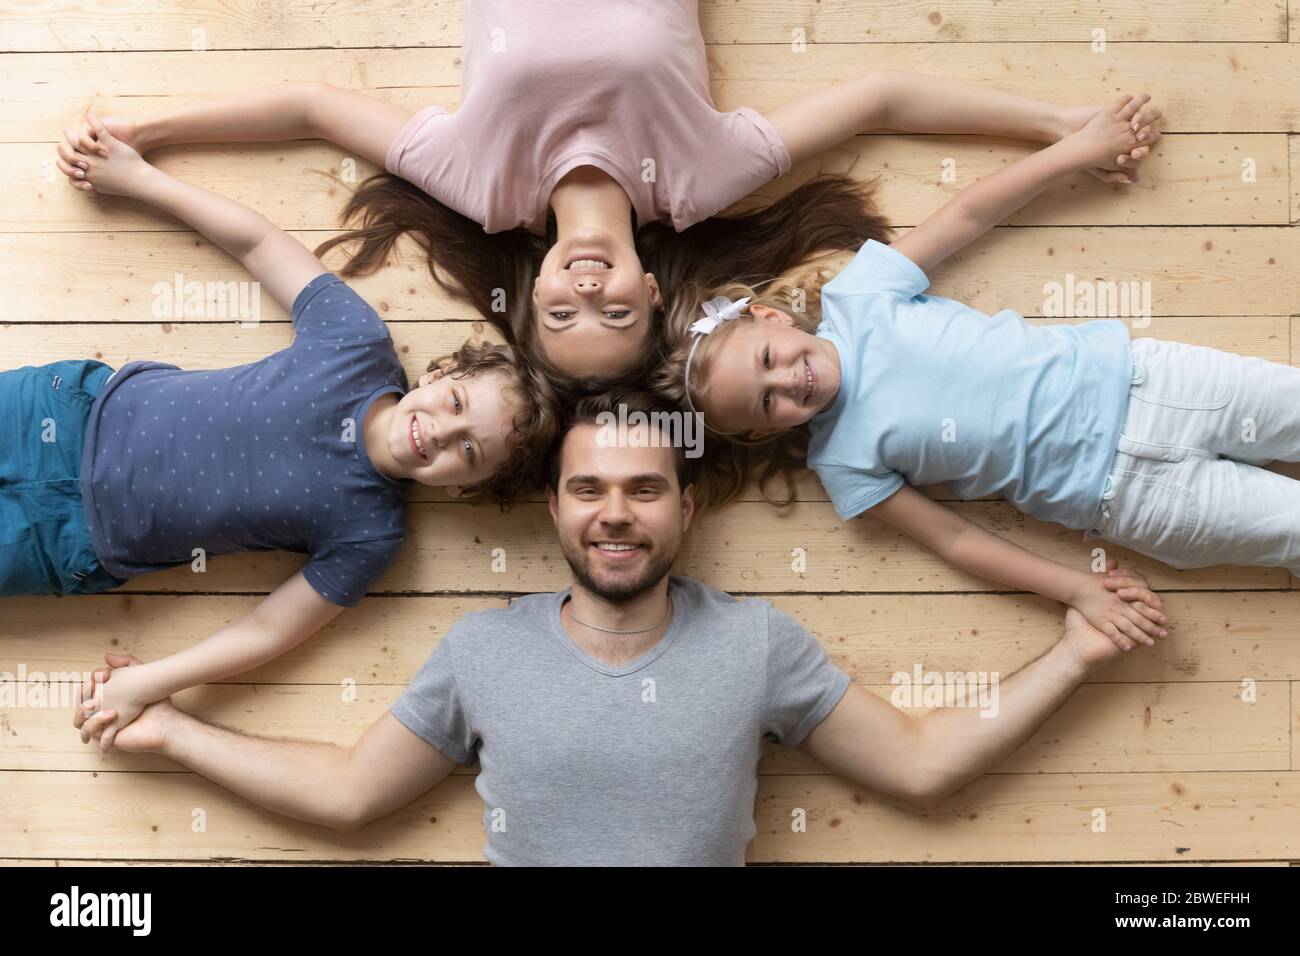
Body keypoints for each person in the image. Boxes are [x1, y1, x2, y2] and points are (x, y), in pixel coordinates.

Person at [75, 390, 1161, 866]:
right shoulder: (481, 651)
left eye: (644, 488)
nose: (613, 512)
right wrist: (173, 732)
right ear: (553, 507)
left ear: (686, 508)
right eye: (588, 487)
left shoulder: (758, 646)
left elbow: (920, 765)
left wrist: (1070, 650)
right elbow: (352, 794)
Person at [66, 0, 1152, 386]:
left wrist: (145, 142)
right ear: (650, 288)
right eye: (616, 312)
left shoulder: (477, 186)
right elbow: (876, 94)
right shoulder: (699, 182)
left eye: (562, 312)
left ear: (530, 291)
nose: (588, 290)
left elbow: (307, 108)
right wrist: (1057, 124)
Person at [655, 92, 1300, 651]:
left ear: (770, 319)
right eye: (767, 405)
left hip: (1154, 386)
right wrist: (1077, 590)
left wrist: (1077, 148)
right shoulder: (843, 465)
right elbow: (958, 542)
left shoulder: (860, 296)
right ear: (765, 434)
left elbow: (967, 213)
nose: (787, 383)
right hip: (1130, 497)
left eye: (768, 362)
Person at [32, 117, 558, 751]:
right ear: (443, 371)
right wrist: (140, 179)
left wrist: (150, 682)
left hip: (73, 539)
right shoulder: (357, 344)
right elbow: (257, 243)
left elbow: (269, 629)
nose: (441, 433)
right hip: (71, 413)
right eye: (455, 403)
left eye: (469, 453)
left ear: (468, 491)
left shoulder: (371, 534)